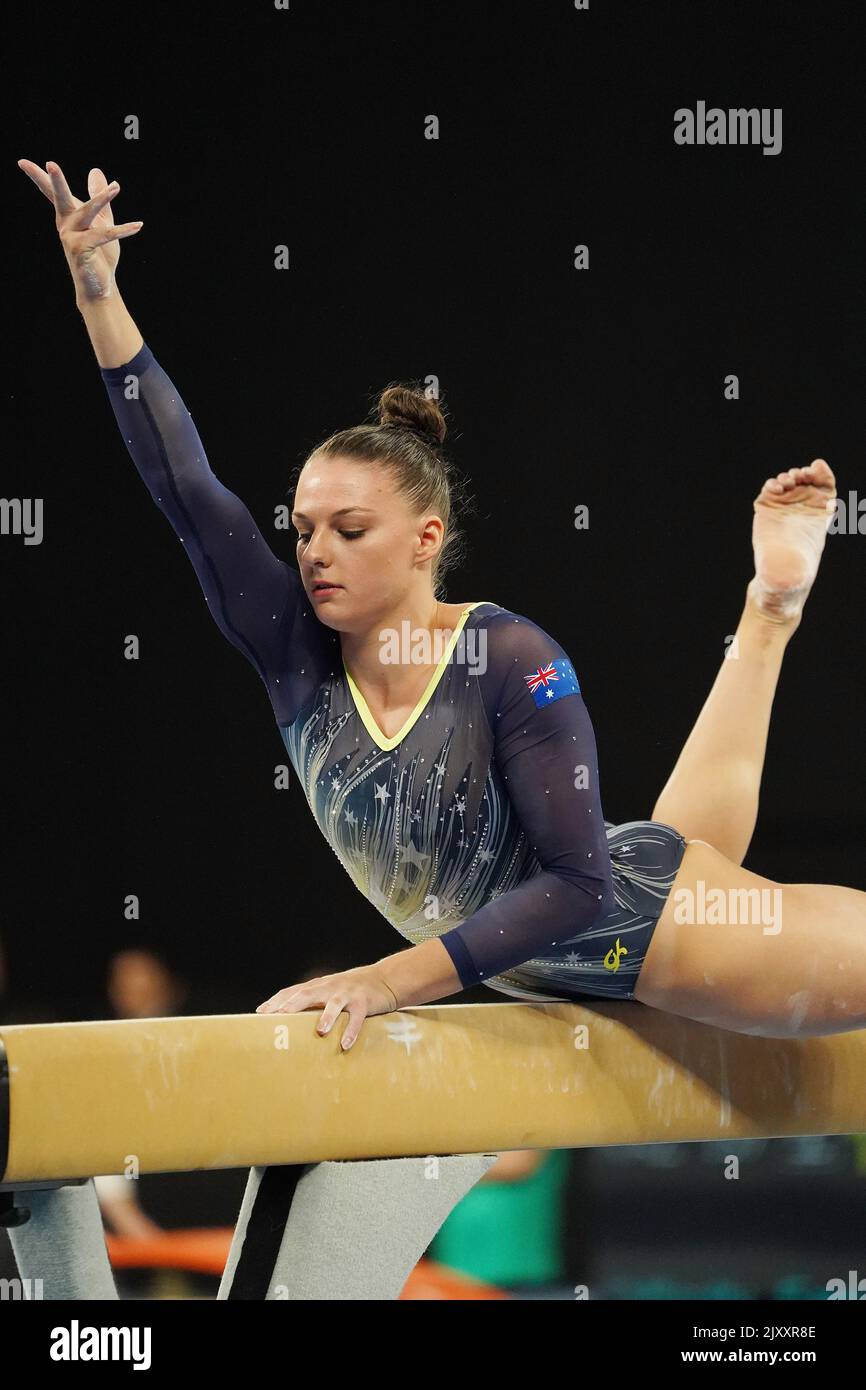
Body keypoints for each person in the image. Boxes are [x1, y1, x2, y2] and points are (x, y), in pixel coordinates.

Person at [17, 157, 865, 1056]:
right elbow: (185, 485)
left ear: (426, 540)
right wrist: (95, 291)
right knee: (677, 849)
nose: (314, 552)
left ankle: (773, 608)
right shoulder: (292, 653)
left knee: (686, 874)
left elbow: (581, 887)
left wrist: (387, 979)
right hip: (580, 935)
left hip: (655, 932)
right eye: (302, 530)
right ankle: (769, 608)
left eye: (349, 529)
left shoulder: (506, 656)